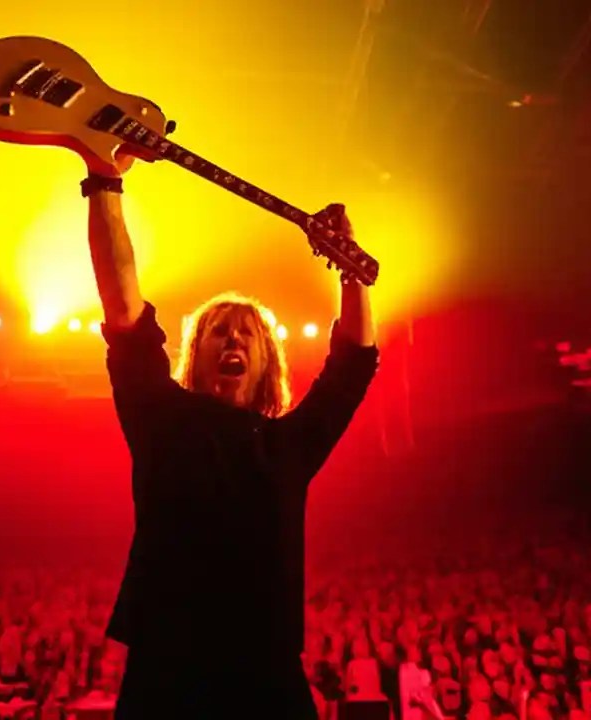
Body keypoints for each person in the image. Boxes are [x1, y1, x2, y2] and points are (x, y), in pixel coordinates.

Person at [81, 153, 379, 719]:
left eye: (245, 334)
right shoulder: (161, 418)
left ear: (266, 361)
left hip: (265, 670)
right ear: (198, 354)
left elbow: (354, 363)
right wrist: (104, 181)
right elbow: (122, 308)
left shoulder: (288, 447)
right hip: (167, 665)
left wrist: (352, 268)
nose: (232, 340)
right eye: (218, 332)